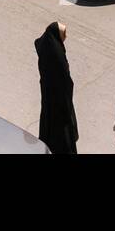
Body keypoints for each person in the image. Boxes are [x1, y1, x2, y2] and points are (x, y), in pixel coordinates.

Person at [35, 22, 78, 155]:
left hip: (49, 100)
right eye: (64, 33)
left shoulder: (47, 48)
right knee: (62, 138)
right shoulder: (57, 57)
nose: (66, 36)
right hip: (60, 105)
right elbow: (65, 83)